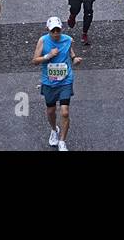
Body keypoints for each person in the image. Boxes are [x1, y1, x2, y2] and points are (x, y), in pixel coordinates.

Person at [33, 17, 83, 151]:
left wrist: (74, 59)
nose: (55, 33)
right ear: (48, 30)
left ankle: (62, 141)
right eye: (53, 31)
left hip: (65, 80)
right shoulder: (43, 41)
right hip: (49, 82)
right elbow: (35, 60)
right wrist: (48, 55)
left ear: (61, 29)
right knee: (51, 111)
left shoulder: (67, 39)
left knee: (65, 112)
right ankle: (54, 129)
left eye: (58, 30)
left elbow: (70, 50)